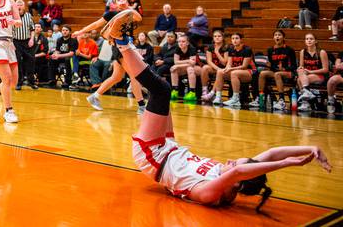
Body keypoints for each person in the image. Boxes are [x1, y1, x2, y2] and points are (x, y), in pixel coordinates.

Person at [115, 38, 331, 210]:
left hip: (154, 156)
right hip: (170, 147)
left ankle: (123, 44)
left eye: (236, 164)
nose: (230, 160)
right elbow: (272, 153)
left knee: (161, 91)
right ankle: (126, 46)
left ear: (238, 180)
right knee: (163, 92)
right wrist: (311, 148)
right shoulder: (230, 176)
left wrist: (289, 164)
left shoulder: (211, 194)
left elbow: (240, 171)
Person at [75, 0, 144, 112]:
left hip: (128, 46)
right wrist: (81, 31)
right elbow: (96, 24)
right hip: (119, 47)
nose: (121, 1)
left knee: (116, 77)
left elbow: (139, 18)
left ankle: (94, 96)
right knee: (134, 75)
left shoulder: (130, 14)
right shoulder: (111, 14)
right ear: (115, 4)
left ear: (127, 2)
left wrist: (129, 9)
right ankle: (142, 106)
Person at [248, 30, 296, 110]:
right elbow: (272, 66)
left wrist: (284, 69)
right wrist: (269, 66)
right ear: (273, 38)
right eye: (275, 35)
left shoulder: (289, 50)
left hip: (288, 72)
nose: (277, 36)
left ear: (283, 37)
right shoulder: (270, 50)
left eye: (279, 35)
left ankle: (282, 101)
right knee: (262, 73)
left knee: (277, 74)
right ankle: (260, 98)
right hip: (276, 72)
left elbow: (294, 66)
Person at [214, 33, 254, 108]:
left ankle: (236, 99)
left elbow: (244, 66)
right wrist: (226, 69)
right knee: (220, 72)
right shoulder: (231, 49)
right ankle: (218, 97)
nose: (234, 40)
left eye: (236, 38)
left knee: (234, 73)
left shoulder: (247, 49)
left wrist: (231, 69)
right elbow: (229, 63)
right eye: (233, 38)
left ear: (241, 40)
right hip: (236, 71)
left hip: (250, 71)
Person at [296, 33, 330, 112]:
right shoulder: (302, 52)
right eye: (307, 39)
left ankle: (305, 102)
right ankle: (306, 95)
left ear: (316, 41)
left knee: (299, 80)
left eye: (311, 39)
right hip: (306, 75)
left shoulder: (321, 52)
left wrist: (311, 71)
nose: (309, 40)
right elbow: (302, 66)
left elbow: (325, 69)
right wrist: (301, 68)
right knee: (300, 70)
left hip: (320, 75)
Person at [169, 34, 201, 103]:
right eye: (179, 41)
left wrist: (178, 65)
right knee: (173, 69)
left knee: (190, 69)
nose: (181, 43)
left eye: (183, 41)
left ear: (187, 43)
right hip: (186, 67)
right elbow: (176, 61)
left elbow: (193, 63)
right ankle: (175, 91)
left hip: (198, 67)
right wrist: (187, 61)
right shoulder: (177, 48)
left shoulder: (192, 48)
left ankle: (192, 93)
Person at [200, 30, 229, 103]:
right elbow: (209, 61)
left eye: (219, 36)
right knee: (205, 68)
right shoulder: (210, 47)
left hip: (224, 68)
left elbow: (224, 63)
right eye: (215, 36)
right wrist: (217, 68)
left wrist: (217, 52)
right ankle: (205, 90)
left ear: (222, 38)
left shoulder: (226, 47)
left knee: (219, 72)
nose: (217, 38)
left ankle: (212, 93)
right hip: (216, 68)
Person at [12, 0, 35, 90]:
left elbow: (32, 29)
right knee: (18, 62)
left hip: (27, 41)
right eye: (17, 5)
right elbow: (9, 31)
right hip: (16, 42)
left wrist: (32, 39)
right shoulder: (12, 17)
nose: (19, 6)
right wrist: (11, 43)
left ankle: (31, 81)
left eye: (21, 5)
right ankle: (19, 82)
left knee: (31, 60)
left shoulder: (28, 16)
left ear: (24, 7)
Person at [23, 21, 46, 90]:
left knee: (32, 61)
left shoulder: (43, 39)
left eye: (38, 27)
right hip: (28, 55)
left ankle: (32, 81)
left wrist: (34, 55)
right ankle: (22, 78)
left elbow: (44, 52)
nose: (36, 28)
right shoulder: (27, 37)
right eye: (35, 27)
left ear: (41, 29)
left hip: (38, 57)